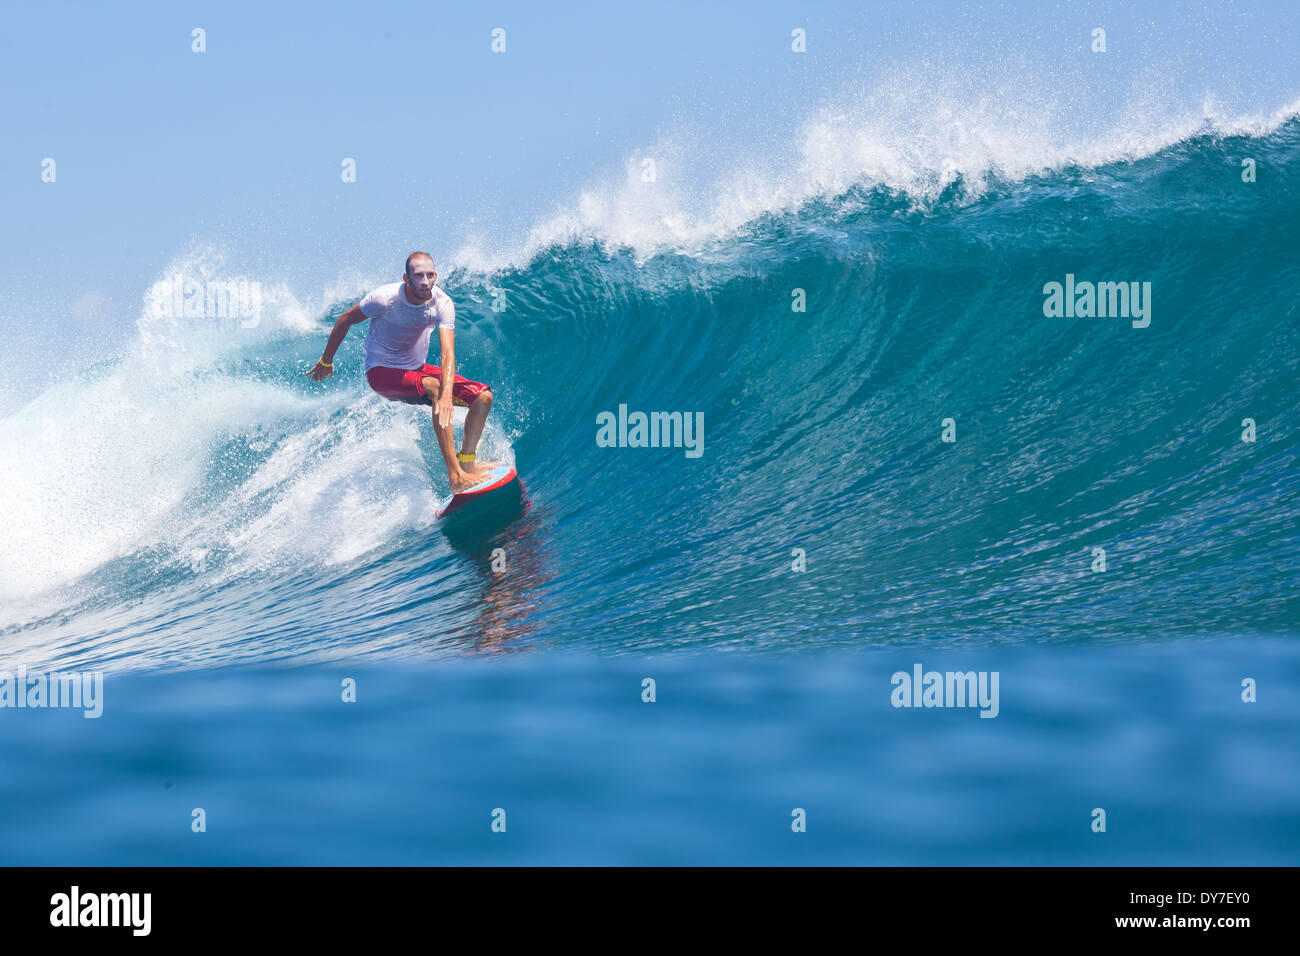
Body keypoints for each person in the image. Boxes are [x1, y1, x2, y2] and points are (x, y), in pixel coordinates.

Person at [307, 251, 497, 493]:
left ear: (436, 276)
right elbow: (344, 319)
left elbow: (448, 354)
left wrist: (449, 394)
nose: (425, 281)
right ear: (406, 279)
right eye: (418, 276)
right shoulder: (384, 299)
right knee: (438, 389)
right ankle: (455, 477)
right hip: (381, 371)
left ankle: (467, 464)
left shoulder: (442, 303)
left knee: (482, 398)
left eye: (429, 275)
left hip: (415, 369)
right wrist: (326, 361)